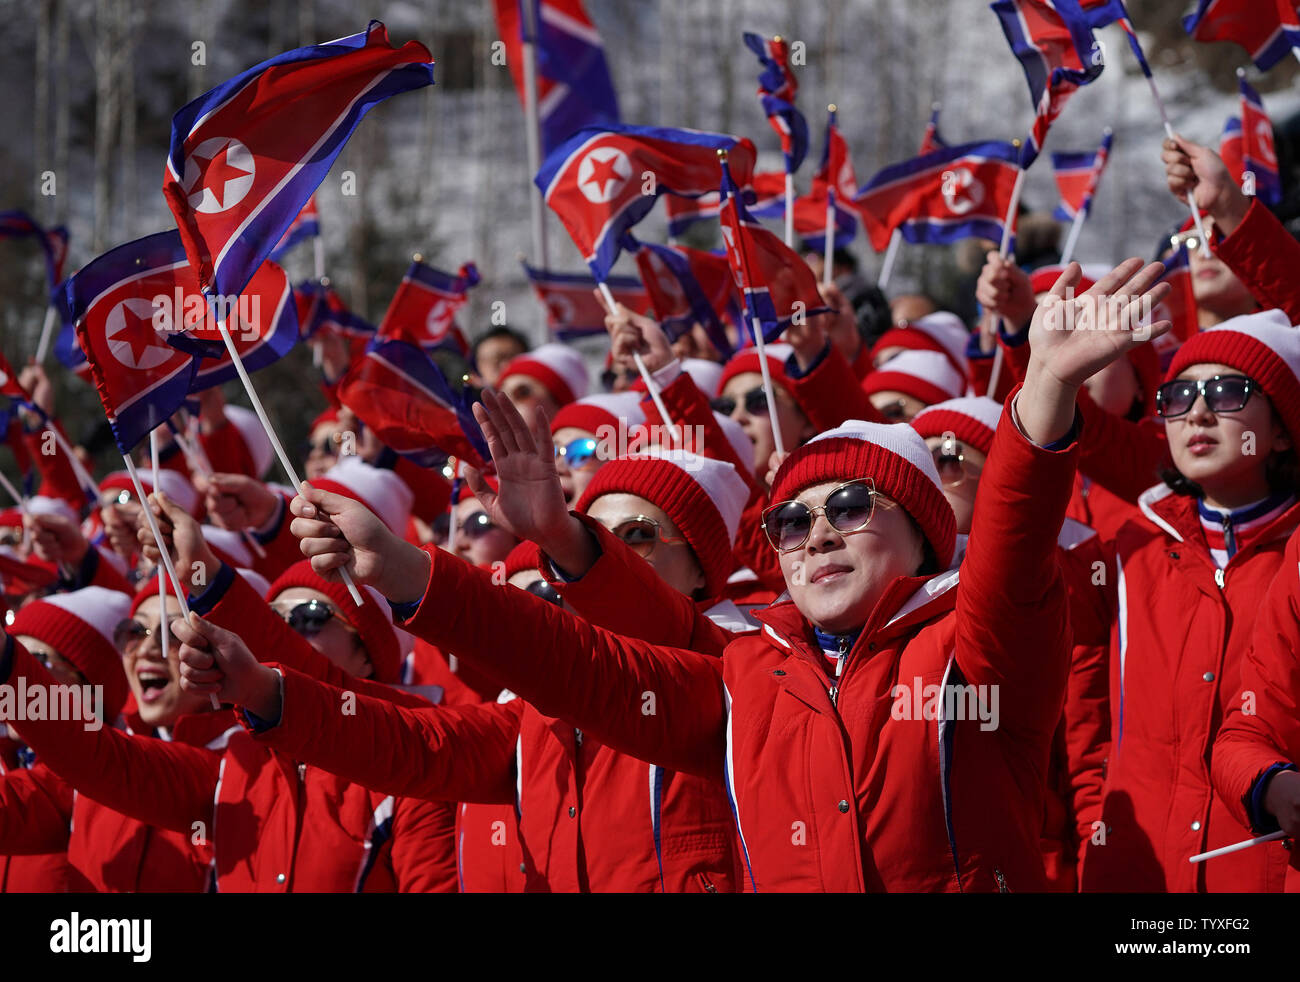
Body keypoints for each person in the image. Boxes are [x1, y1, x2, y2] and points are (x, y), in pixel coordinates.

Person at [198, 259, 1169, 891]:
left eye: (849, 508)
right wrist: (417, 573)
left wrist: (1040, 392)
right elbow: (578, 665)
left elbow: (1006, 547)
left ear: (921, 538)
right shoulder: (747, 680)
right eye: (791, 519)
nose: (814, 533)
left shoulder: (972, 654)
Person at [1066, 310, 1300, 892]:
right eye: (1177, 395)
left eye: (1227, 390)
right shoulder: (1126, 550)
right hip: (1134, 874)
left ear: (1282, 430)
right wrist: (1097, 824)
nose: (1197, 410)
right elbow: (1082, 715)